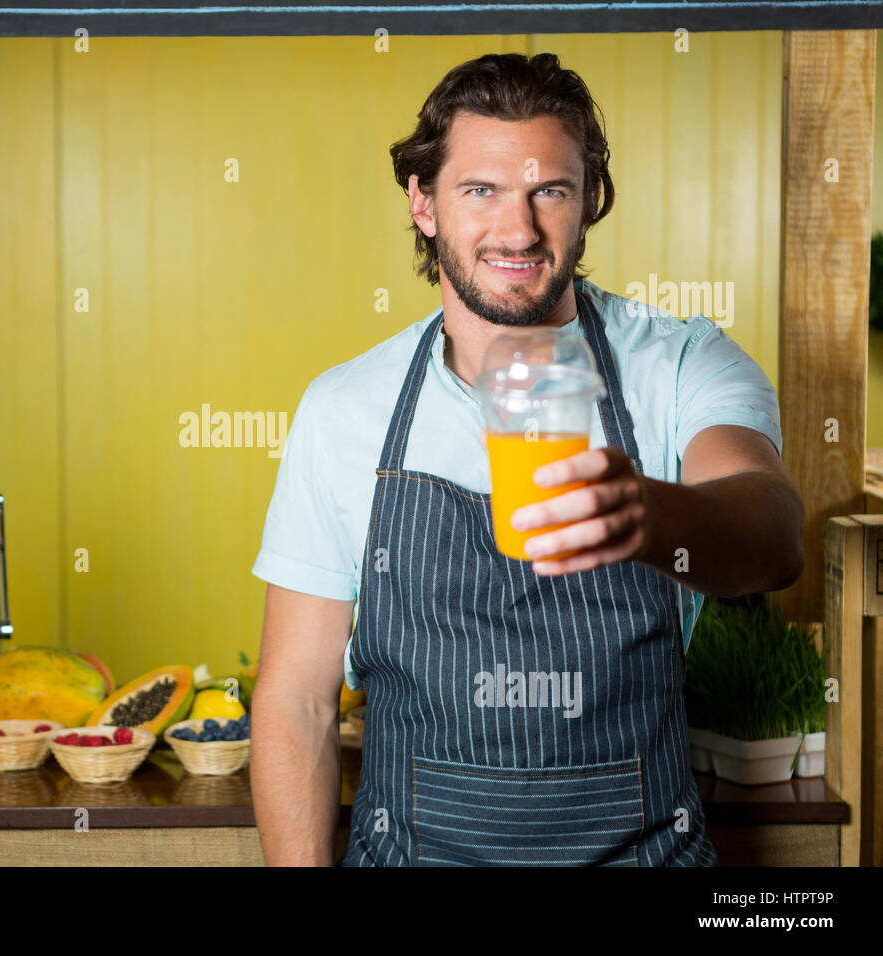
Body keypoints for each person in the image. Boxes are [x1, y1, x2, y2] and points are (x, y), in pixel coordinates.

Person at [248, 52, 805, 867]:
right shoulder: (345, 409)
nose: (518, 230)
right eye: (481, 191)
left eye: (550, 190)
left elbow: (774, 533)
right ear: (423, 202)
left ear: (590, 204)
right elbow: (297, 698)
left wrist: (645, 512)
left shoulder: (681, 364)